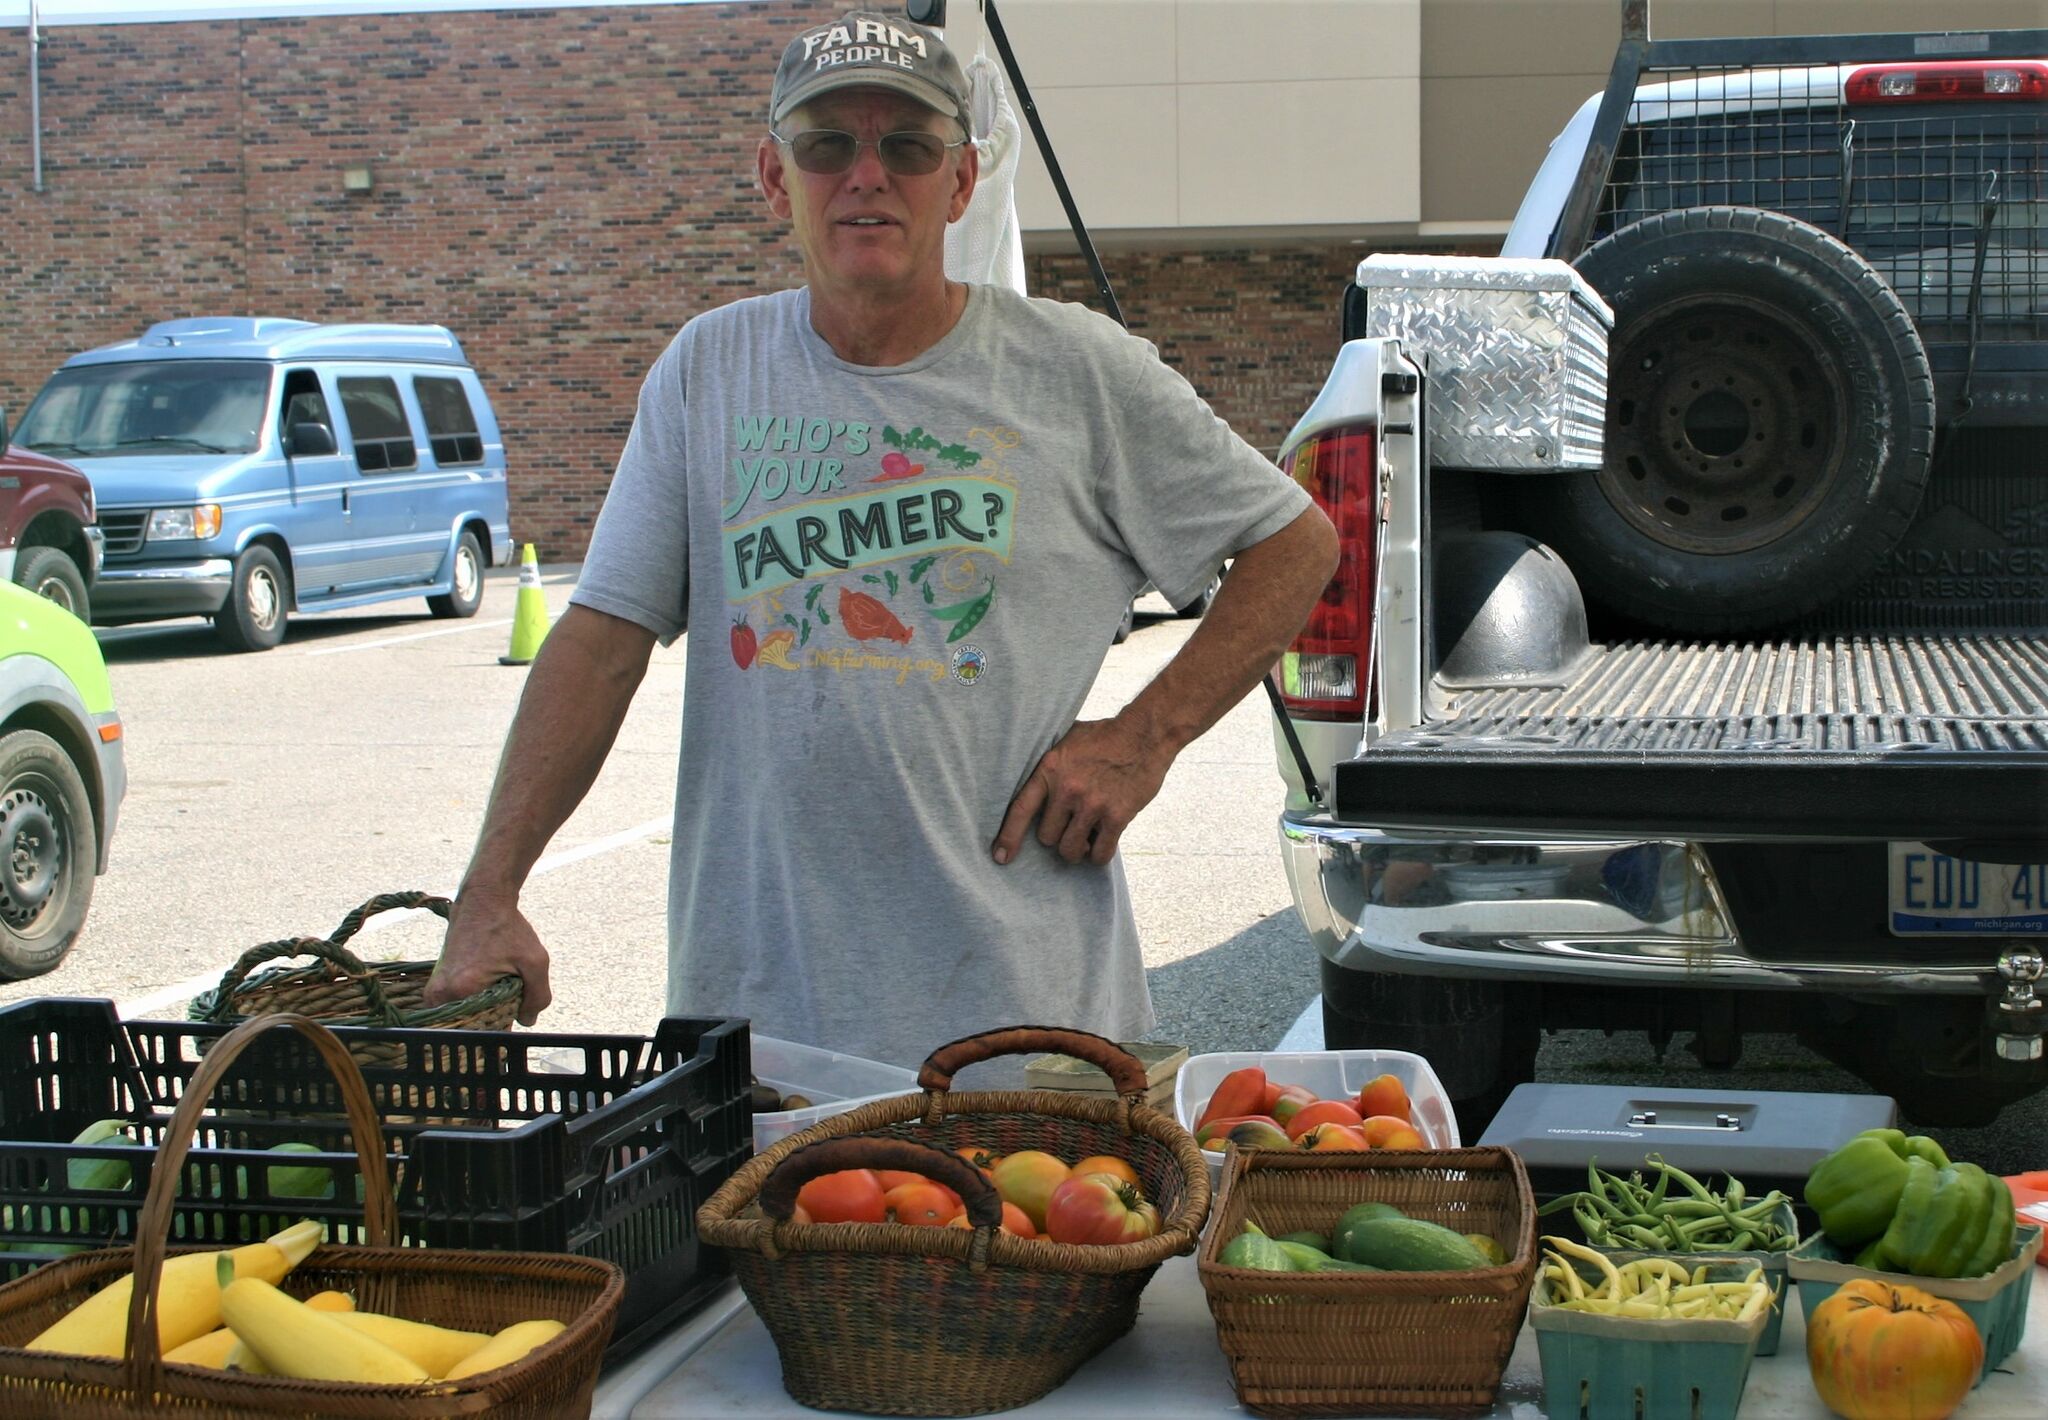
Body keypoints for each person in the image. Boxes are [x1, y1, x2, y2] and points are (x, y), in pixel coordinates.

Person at [426, 9, 1338, 1070]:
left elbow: (1295, 540)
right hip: (761, 1032)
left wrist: (1143, 738)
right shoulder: (707, 371)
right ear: (776, 178)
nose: (867, 175)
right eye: (828, 146)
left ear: (956, 184)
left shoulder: (1076, 371)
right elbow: (599, 639)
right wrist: (490, 889)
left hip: (1024, 1030)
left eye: (907, 146)